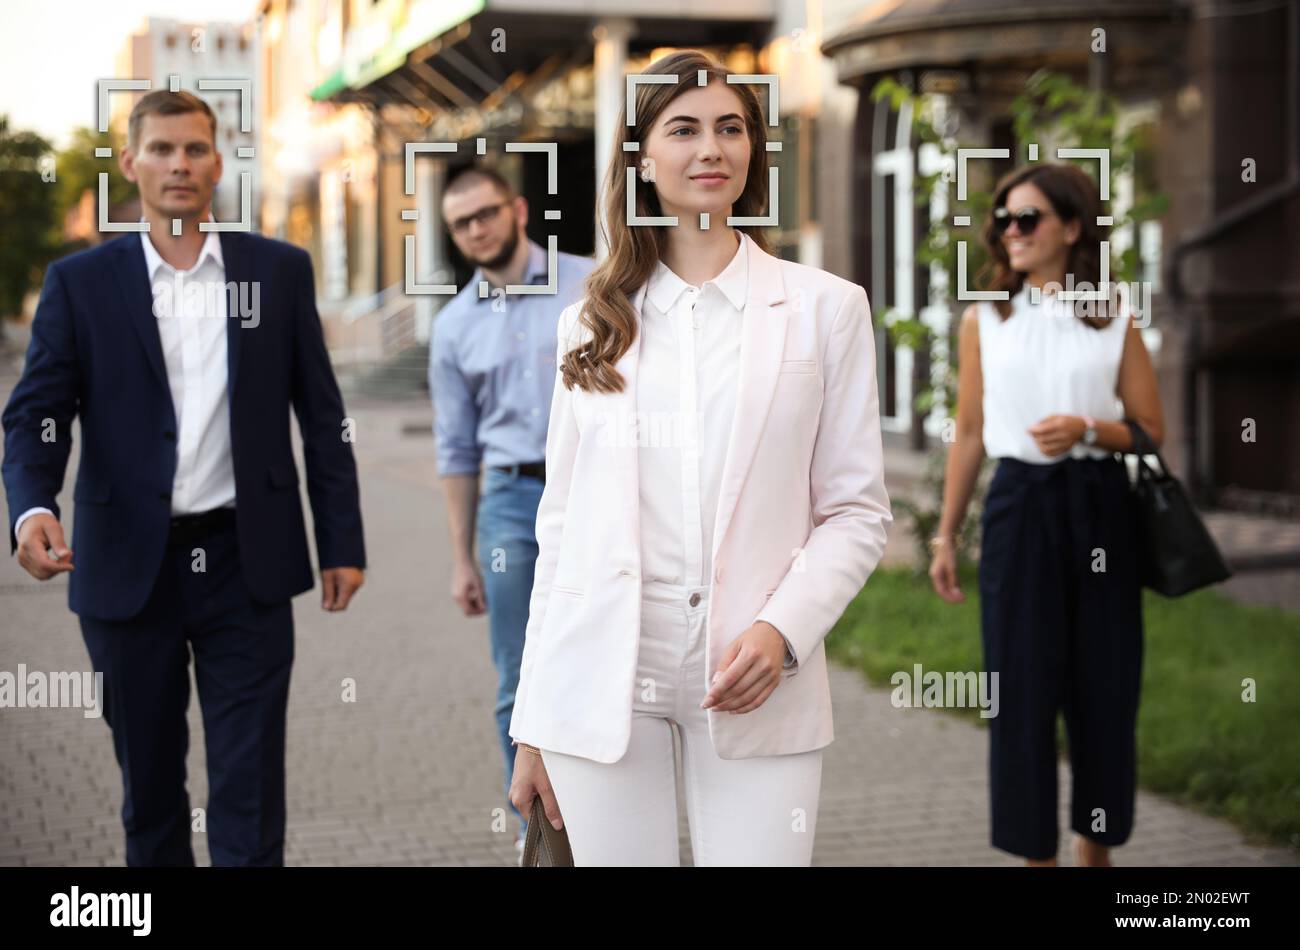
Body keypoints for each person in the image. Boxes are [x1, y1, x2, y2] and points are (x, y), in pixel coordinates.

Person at [506, 50, 892, 866]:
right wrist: (534, 722)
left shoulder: (827, 309)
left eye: (731, 128)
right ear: (643, 158)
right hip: (601, 678)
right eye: (683, 129)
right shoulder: (591, 323)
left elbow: (857, 512)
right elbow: (562, 526)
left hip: (756, 676)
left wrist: (782, 629)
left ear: (753, 152)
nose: (710, 148)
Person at [2, 90, 366, 866]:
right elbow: (37, 413)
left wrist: (342, 540)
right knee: (152, 794)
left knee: (250, 790)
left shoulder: (277, 271)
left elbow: (324, 418)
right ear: (130, 163)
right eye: (162, 149)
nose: (179, 164)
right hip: (128, 569)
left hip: (248, 564)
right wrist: (31, 506)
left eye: (195, 149)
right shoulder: (82, 284)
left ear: (218, 160)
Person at [927, 162, 1164, 866]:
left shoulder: (1114, 315)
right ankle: (1037, 857)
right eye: (1004, 218)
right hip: (1018, 508)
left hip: (1100, 509)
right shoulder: (985, 319)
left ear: (1071, 227)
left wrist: (1089, 428)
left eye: (1027, 218)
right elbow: (969, 435)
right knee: (1021, 691)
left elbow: (1151, 428)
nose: (1011, 231)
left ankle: (1095, 849)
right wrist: (945, 536)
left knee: (1106, 685)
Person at [427, 165, 594, 856]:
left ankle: (611, 822)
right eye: (462, 223)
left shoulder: (592, 281)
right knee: (519, 677)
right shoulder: (453, 327)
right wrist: (461, 556)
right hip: (511, 503)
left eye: (486, 213)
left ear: (518, 209)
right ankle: (544, 843)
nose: (476, 230)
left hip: (598, 487)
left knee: (610, 662)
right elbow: (457, 449)